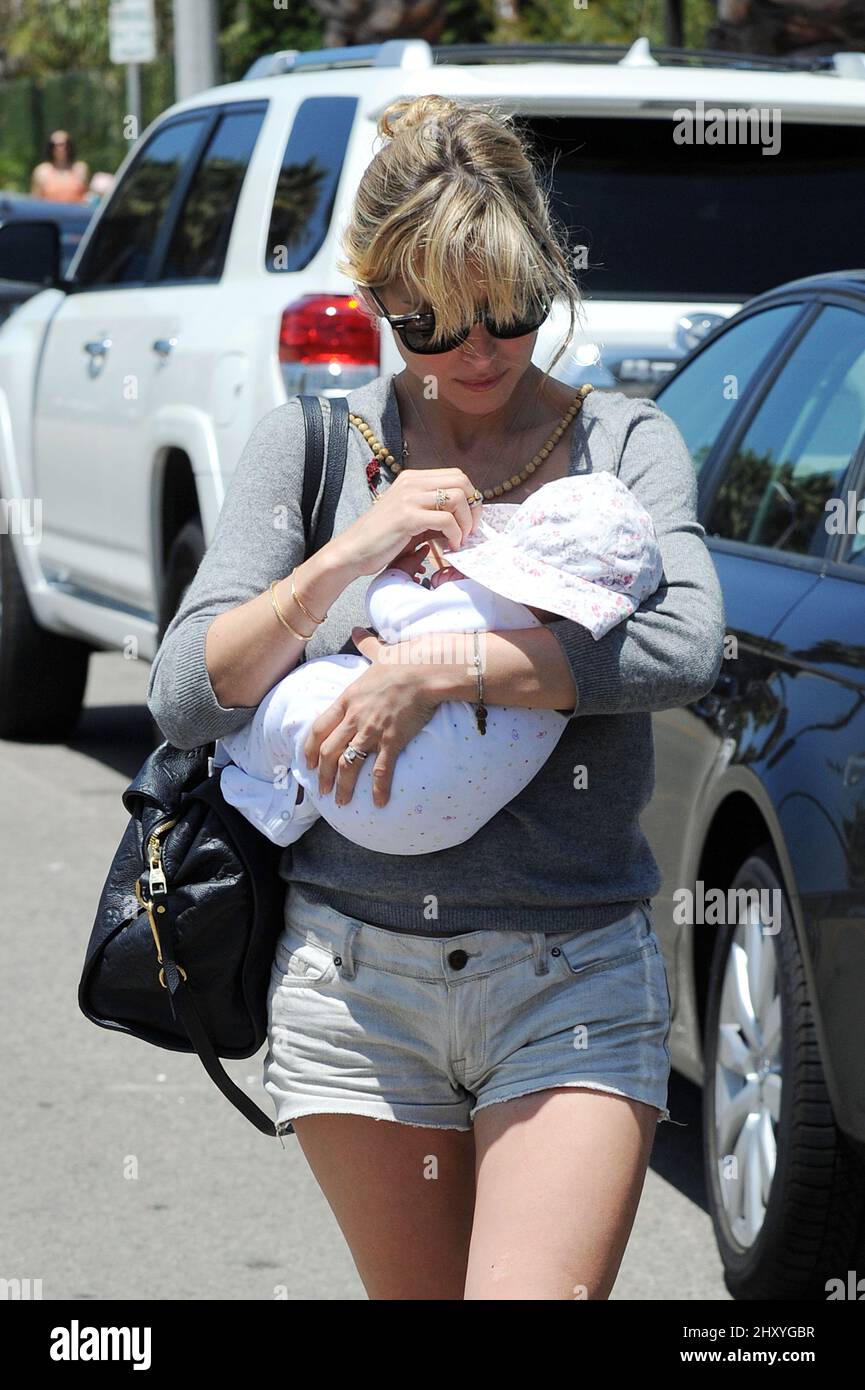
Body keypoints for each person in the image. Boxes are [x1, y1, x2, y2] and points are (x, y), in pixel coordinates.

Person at [147, 93, 726, 1300]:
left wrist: (438, 670)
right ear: (373, 299)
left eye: (509, 311)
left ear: (546, 272)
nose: (477, 350)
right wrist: (347, 556)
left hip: (571, 975)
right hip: (353, 988)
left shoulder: (619, 444)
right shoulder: (311, 449)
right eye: (430, 322)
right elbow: (187, 691)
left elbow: (683, 646)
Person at [213, 469, 664, 855]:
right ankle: (294, 790)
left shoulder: (489, 609)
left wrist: (396, 571)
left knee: (315, 685)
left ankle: (248, 772)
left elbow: (393, 613)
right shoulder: (566, 633)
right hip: (448, 819)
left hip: (373, 790)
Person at [30, 130, 90, 203]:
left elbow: (88, 198)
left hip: (76, 213)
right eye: (54, 145)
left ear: (70, 146)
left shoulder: (80, 169)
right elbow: (35, 201)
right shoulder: (41, 171)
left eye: (64, 144)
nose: (60, 148)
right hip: (51, 213)